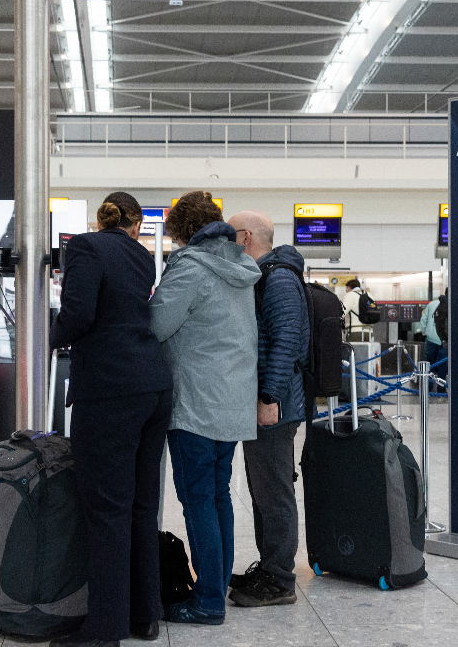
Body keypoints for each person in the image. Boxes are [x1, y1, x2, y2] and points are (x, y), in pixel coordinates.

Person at [49, 192, 173, 647]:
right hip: (153, 385)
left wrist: (47, 336)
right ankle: (144, 613)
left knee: (106, 509)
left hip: (110, 389)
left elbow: (79, 314)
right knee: (141, 503)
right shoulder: (142, 257)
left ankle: (104, 629)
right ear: (136, 224)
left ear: (100, 220)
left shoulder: (85, 246)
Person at [150, 191, 260, 626]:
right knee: (217, 497)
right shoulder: (240, 268)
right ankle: (215, 588)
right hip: (231, 402)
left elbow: (156, 325)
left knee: (198, 501)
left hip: (195, 403)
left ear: (181, 232)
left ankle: (208, 601)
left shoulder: (191, 268)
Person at [227, 212, 309, 608]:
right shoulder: (265, 276)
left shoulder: (278, 279)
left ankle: (280, 579)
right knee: (263, 490)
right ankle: (269, 567)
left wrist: (269, 397)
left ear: (244, 238)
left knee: (274, 493)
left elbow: (287, 341)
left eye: (230, 236)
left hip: (276, 404)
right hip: (267, 400)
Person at [417, 290, 449, 383]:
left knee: (429, 365)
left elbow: (423, 320)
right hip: (446, 341)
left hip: (431, 339)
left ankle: (428, 387)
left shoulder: (431, 304)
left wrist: (425, 332)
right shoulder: (452, 304)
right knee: (443, 365)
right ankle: (441, 387)